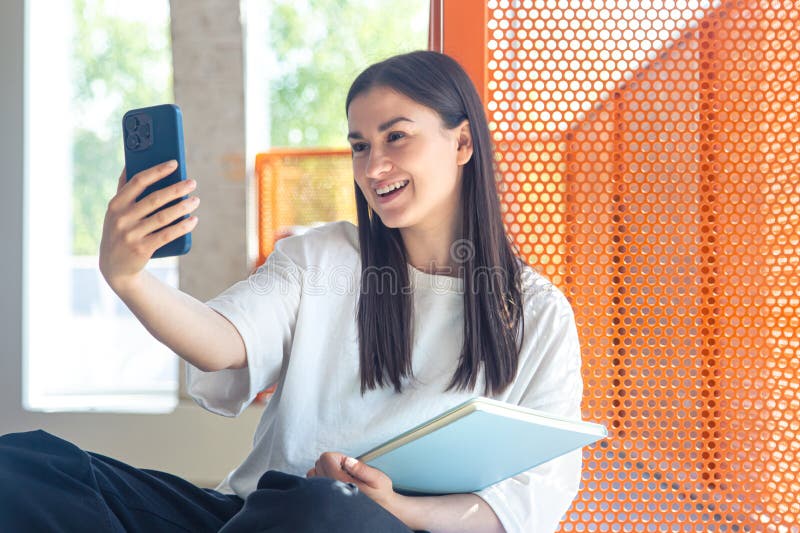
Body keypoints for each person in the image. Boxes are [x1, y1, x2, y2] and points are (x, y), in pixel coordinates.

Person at [0, 51, 583, 532]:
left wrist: (395, 507)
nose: (374, 165)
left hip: (375, 526)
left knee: (325, 508)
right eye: (359, 145)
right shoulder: (322, 256)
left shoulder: (537, 314)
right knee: (27, 463)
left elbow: (531, 502)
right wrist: (128, 277)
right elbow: (222, 341)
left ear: (461, 144)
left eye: (396, 137)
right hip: (254, 517)